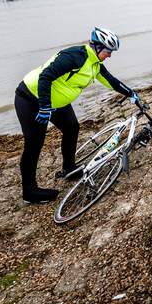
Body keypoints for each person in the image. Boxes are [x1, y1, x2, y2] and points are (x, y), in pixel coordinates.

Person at [14, 27, 139, 204]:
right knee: (34, 143)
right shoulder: (75, 57)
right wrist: (44, 107)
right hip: (31, 98)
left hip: (56, 102)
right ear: (96, 47)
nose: (109, 55)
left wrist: (132, 94)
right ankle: (29, 191)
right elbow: (45, 76)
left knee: (72, 127)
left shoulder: (95, 64)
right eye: (107, 51)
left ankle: (69, 168)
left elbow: (111, 81)